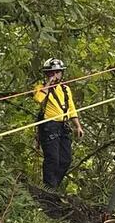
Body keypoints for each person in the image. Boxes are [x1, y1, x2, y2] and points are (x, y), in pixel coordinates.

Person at [34, 58, 84, 190]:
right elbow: (38, 99)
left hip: (63, 126)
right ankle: (48, 188)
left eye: (57, 72)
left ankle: (53, 186)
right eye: (52, 73)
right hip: (49, 126)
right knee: (52, 158)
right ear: (47, 74)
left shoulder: (65, 89)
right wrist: (49, 83)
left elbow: (71, 108)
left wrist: (77, 126)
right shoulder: (41, 88)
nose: (55, 75)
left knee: (65, 160)